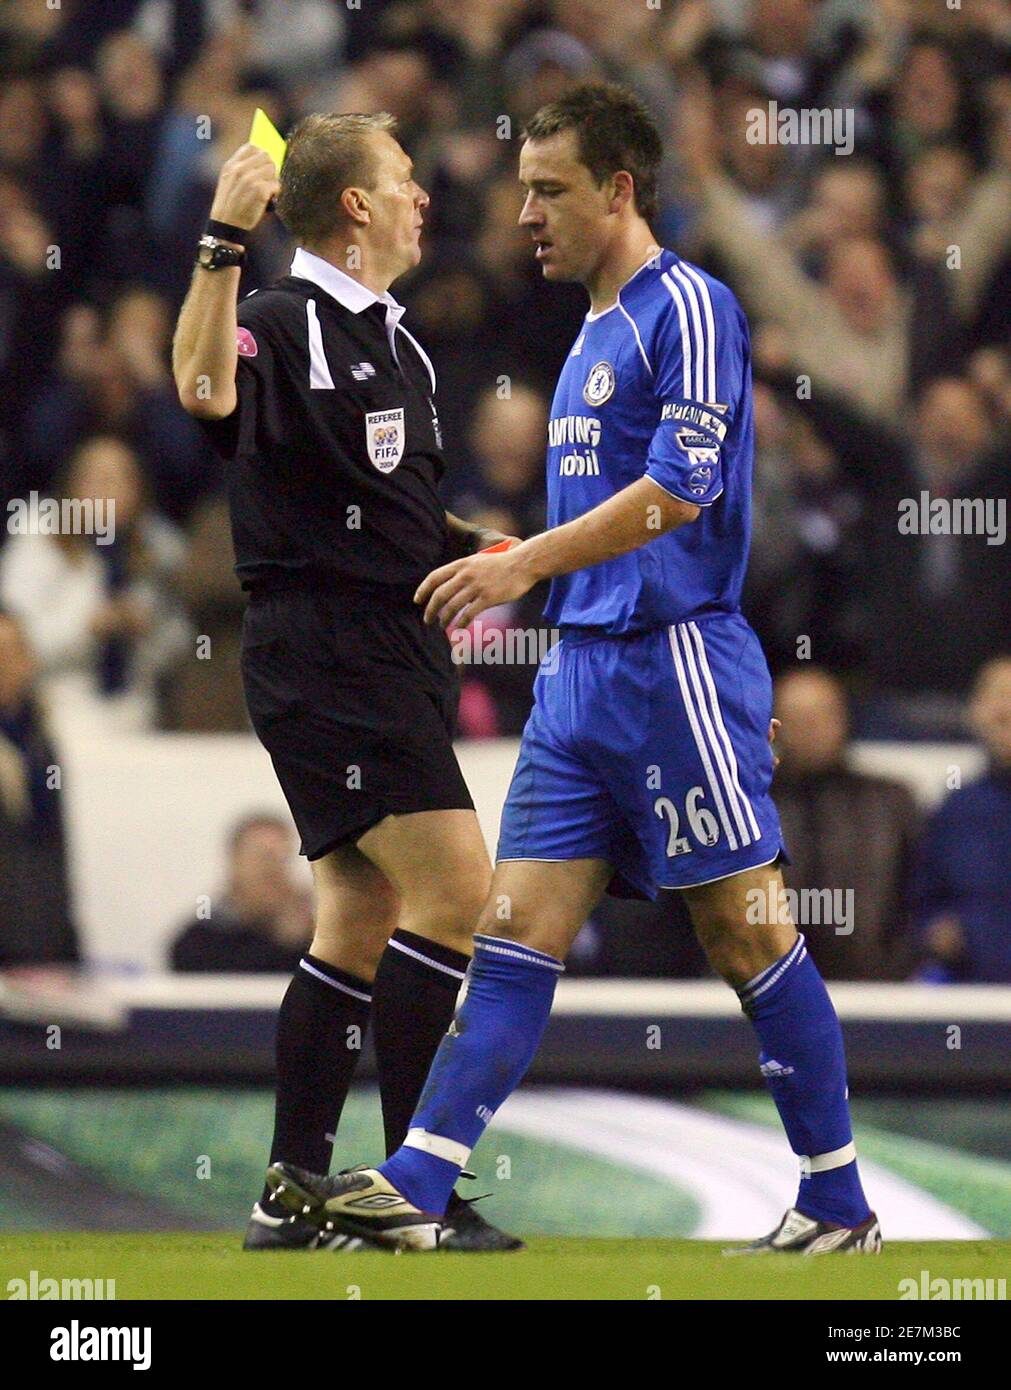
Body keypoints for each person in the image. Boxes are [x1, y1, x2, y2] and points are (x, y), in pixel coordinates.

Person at [269, 83, 881, 1255]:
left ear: (621, 190)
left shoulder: (686, 306)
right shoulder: (590, 331)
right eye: (522, 189)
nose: (525, 214)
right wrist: (493, 552)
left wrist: (524, 568)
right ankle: (421, 1179)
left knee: (746, 932)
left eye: (549, 190)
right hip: (582, 680)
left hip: (674, 664)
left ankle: (839, 1198)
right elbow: (596, 526)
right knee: (514, 929)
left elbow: (682, 491)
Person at [172, 112, 519, 1251]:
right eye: (405, 179)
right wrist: (225, 236)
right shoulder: (280, 318)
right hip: (328, 648)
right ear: (357, 206)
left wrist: (487, 548)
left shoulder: (403, 346)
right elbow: (201, 387)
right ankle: (415, 1193)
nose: (425, 197)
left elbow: (400, 517)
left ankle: (290, 1191)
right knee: (459, 892)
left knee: (361, 914)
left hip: (394, 645)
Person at [773, 668, 917, 980]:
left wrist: (901, 966)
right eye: (796, 718)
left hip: (877, 989)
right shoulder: (745, 808)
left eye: (821, 716)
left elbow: (920, 898)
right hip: (767, 989)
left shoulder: (891, 803)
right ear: (774, 727)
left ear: (844, 718)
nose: (810, 729)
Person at [910, 656, 1011, 984]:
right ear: (974, 712)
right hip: (974, 1002)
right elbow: (924, 901)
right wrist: (936, 930)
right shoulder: (957, 809)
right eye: (995, 695)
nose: (1005, 707)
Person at [169, 814, 312, 973]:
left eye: (284, 859)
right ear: (235, 860)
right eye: (265, 857)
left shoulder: (309, 932)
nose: (275, 869)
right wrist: (285, 945)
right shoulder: (202, 935)